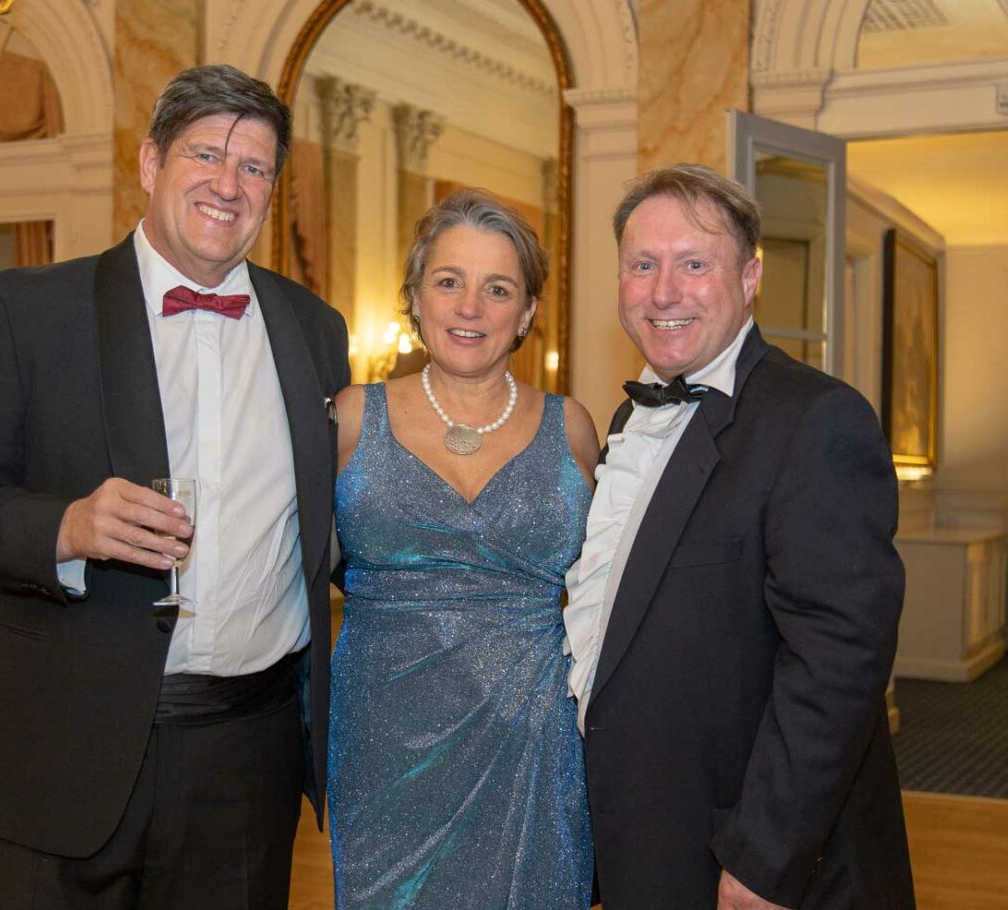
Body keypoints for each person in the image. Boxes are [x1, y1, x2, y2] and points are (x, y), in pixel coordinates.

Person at [0, 64, 349, 909]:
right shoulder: (28, 312)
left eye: (254, 168)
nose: (228, 183)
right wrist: (63, 527)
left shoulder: (316, 331)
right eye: (205, 154)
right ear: (149, 163)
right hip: (61, 746)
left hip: (245, 760)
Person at [563, 164, 915, 910]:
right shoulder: (628, 421)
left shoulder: (816, 420)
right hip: (647, 832)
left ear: (751, 276)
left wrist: (763, 861)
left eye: (695, 264)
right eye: (643, 265)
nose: (664, 292)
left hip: (744, 856)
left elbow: (838, 663)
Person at [327, 189, 598, 908]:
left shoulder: (573, 428)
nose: (469, 307)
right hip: (385, 746)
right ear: (414, 297)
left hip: (533, 745)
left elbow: (611, 593)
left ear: (528, 314)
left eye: (497, 288)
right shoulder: (352, 417)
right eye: (449, 282)